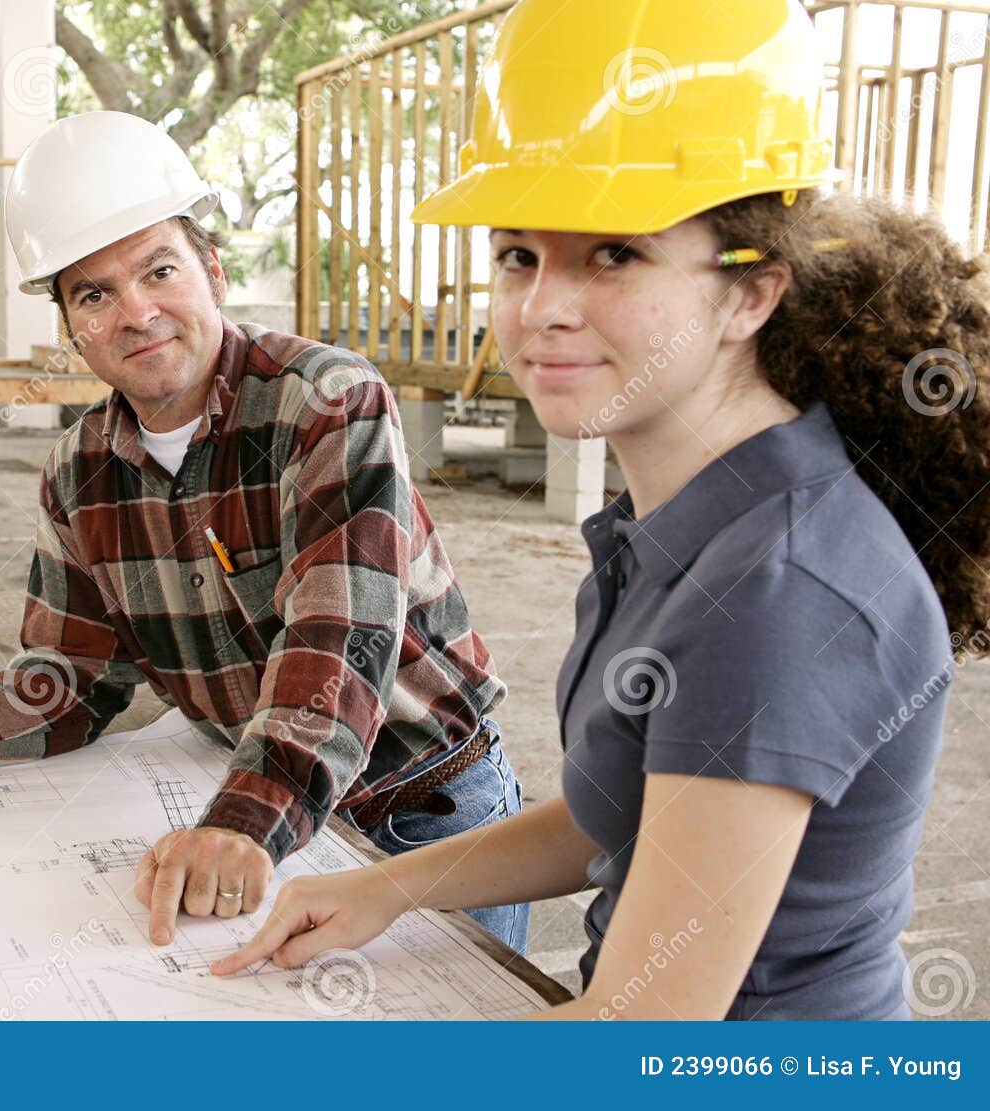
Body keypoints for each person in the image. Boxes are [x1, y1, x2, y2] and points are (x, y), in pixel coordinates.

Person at [211, 0, 989, 1019]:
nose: (543, 308)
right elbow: (611, 816)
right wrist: (386, 884)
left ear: (752, 292)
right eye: (519, 253)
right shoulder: (683, 519)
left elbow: (636, 1036)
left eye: (614, 253)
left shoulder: (776, 587)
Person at [0, 110, 530, 953]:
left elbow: (339, 639)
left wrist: (242, 822)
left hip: (424, 814)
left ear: (213, 271)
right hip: (263, 816)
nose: (136, 312)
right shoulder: (80, 473)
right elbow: (67, 685)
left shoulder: (327, 402)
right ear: (70, 324)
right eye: (94, 293)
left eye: (159, 269)